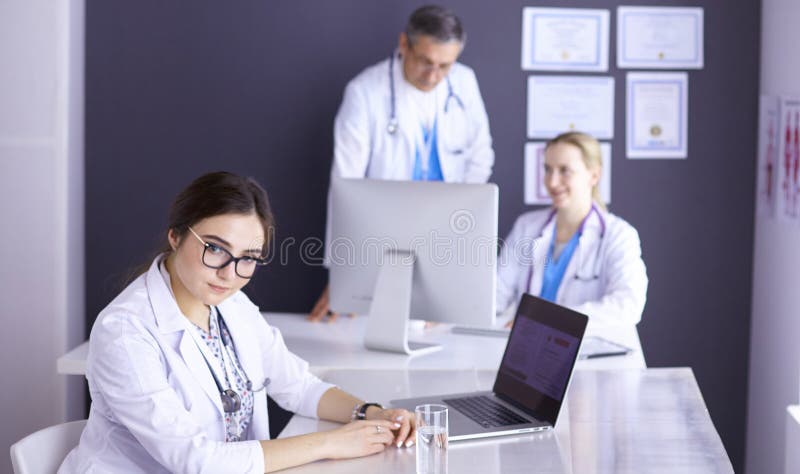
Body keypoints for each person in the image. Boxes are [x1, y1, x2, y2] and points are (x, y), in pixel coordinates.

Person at [60, 172, 415, 474]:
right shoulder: (125, 332)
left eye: (248, 258)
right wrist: (331, 444)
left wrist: (372, 414)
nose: (230, 274)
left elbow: (299, 386)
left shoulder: (232, 306)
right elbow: (195, 460)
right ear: (176, 235)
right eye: (215, 248)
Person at [310, 4, 495, 321]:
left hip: (446, 238)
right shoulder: (365, 92)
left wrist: (461, 219)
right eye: (425, 61)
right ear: (404, 44)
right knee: (379, 334)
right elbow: (345, 185)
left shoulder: (465, 82)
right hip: (383, 240)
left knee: (446, 340)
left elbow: (480, 156)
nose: (434, 75)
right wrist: (344, 276)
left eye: (445, 65)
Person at [496, 132, 648, 329]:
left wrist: (549, 320)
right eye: (548, 169)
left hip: (585, 351)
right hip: (526, 346)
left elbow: (627, 305)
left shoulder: (619, 235)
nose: (552, 182)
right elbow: (497, 293)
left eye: (564, 170)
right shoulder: (527, 226)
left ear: (594, 175)